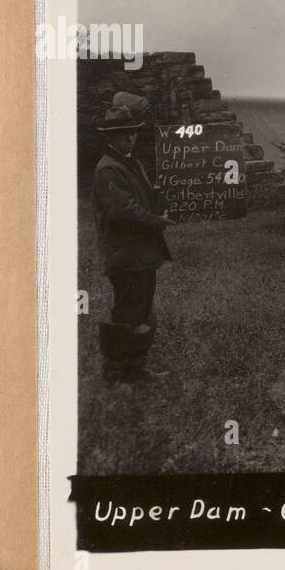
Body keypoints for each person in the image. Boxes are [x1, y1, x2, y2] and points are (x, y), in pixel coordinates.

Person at [93, 99, 174, 381]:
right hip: (126, 254)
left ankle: (135, 368)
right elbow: (122, 210)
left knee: (141, 309)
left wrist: (159, 198)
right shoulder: (108, 169)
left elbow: (141, 199)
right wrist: (157, 221)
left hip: (142, 252)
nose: (130, 137)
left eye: (133, 131)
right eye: (123, 133)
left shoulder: (131, 164)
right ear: (109, 136)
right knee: (128, 311)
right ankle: (116, 372)